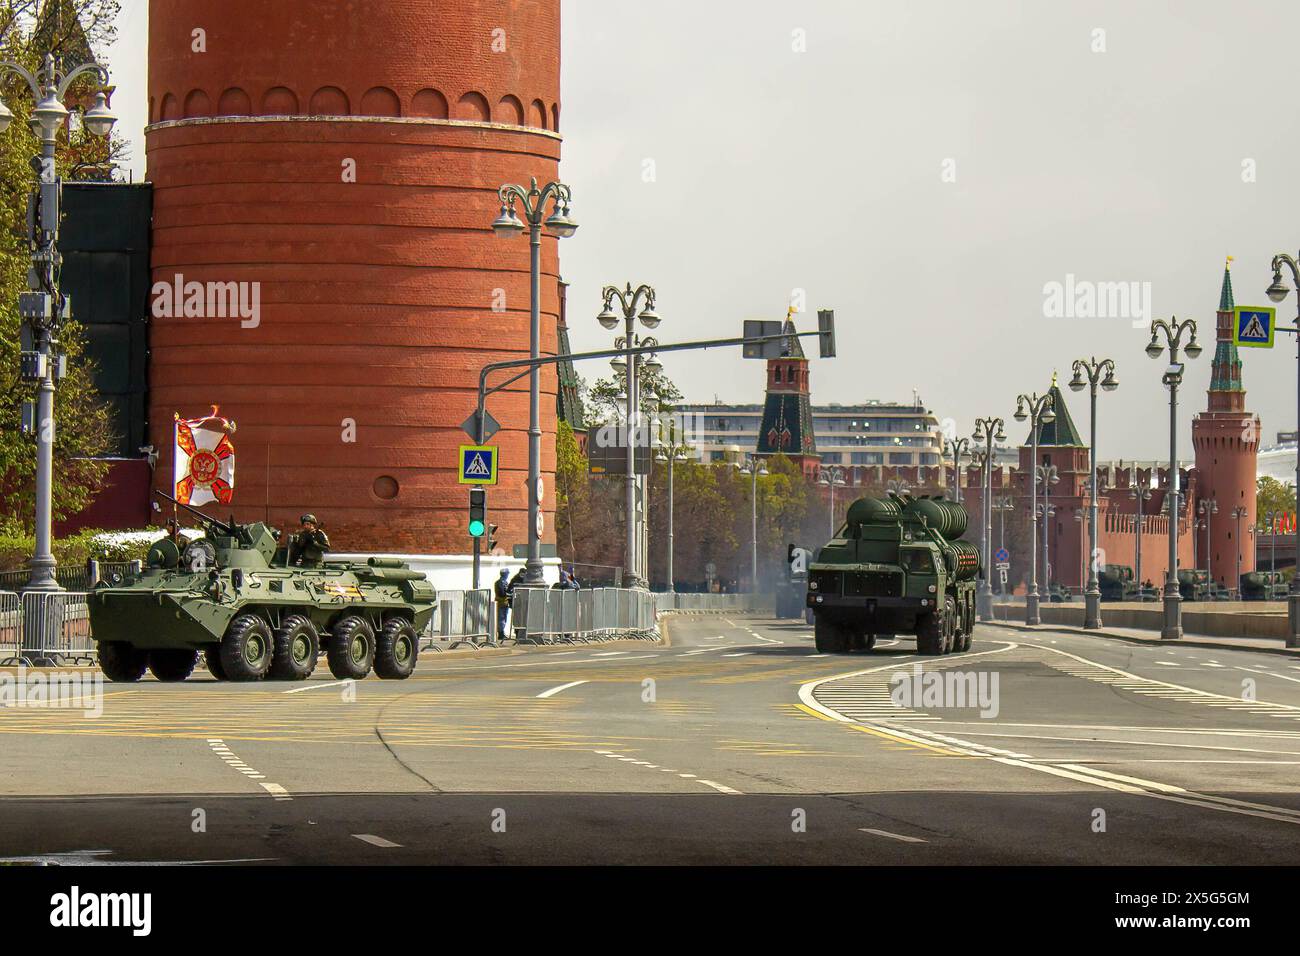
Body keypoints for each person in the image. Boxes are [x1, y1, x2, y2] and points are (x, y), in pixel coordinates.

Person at [494, 568, 512, 639]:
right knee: (501, 619)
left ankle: (502, 633)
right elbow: (502, 593)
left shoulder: (505, 582)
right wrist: (509, 594)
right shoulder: (500, 582)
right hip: (501, 602)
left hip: (504, 603)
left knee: (504, 618)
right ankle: (501, 634)